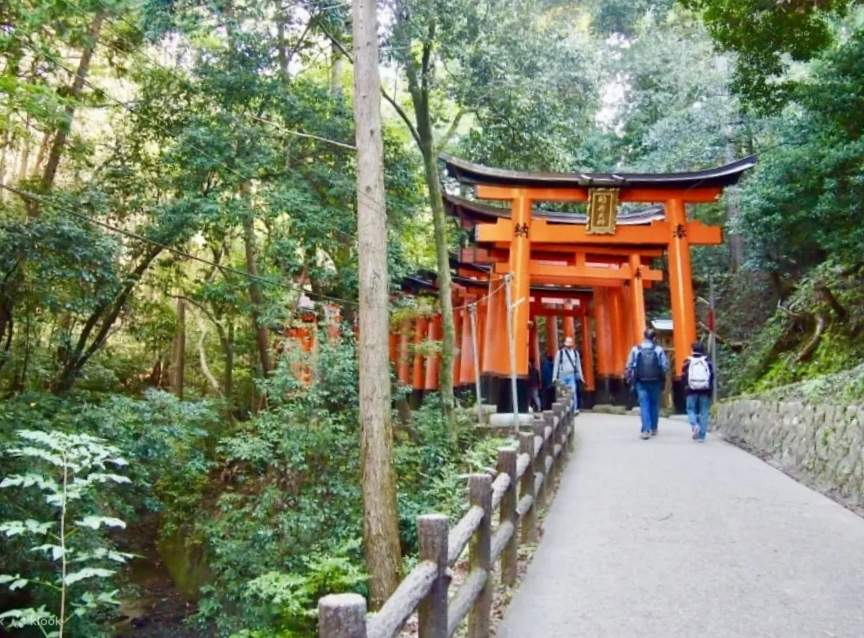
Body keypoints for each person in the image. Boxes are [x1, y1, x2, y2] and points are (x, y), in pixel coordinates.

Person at [626, 328, 669, 440]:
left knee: (644, 405)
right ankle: (654, 428)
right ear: (654, 338)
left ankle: (646, 430)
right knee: (654, 404)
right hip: (656, 381)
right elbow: (665, 366)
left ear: (644, 336)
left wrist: (629, 378)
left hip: (640, 381)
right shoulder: (658, 350)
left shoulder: (636, 349)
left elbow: (629, 365)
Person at [682, 342, 714, 442]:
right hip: (705, 390)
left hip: (691, 390)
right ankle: (702, 436)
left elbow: (683, 376)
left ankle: (694, 425)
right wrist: (710, 388)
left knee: (690, 409)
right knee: (704, 411)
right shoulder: (707, 361)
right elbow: (712, 376)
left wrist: (685, 387)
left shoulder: (687, 361)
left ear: (692, 350)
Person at [552, 336, 584, 413]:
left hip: (571, 375)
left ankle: (573, 409)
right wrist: (554, 377)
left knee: (573, 392)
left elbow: (578, 365)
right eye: (567, 343)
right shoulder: (560, 353)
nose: (568, 345)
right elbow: (556, 365)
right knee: (562, 393)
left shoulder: (575, 353)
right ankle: (563, 410)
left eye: (570, 343)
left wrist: (581, 376)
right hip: (562, 375)